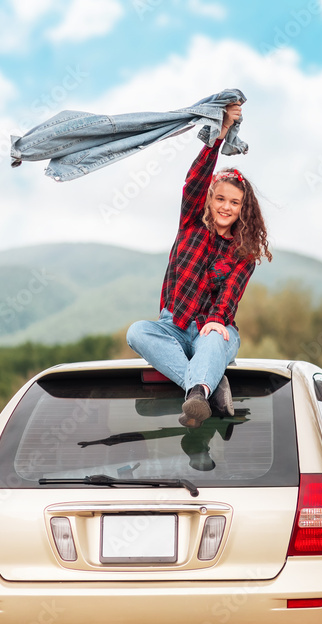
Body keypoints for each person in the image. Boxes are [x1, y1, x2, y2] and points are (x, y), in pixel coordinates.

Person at [127, 102, 271, 428]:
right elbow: (195, 180)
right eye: (220, 199)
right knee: (138, 331)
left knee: (211, 339)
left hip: (215, 327)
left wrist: (217, 320)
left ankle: (199, 387)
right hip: (173, 326)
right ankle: (208, 384)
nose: (226, 207)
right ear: (210, 199)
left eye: (234, 202)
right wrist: (218, 137)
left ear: (242, 209)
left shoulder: (244, 251)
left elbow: (229, 297)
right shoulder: (191, 224)